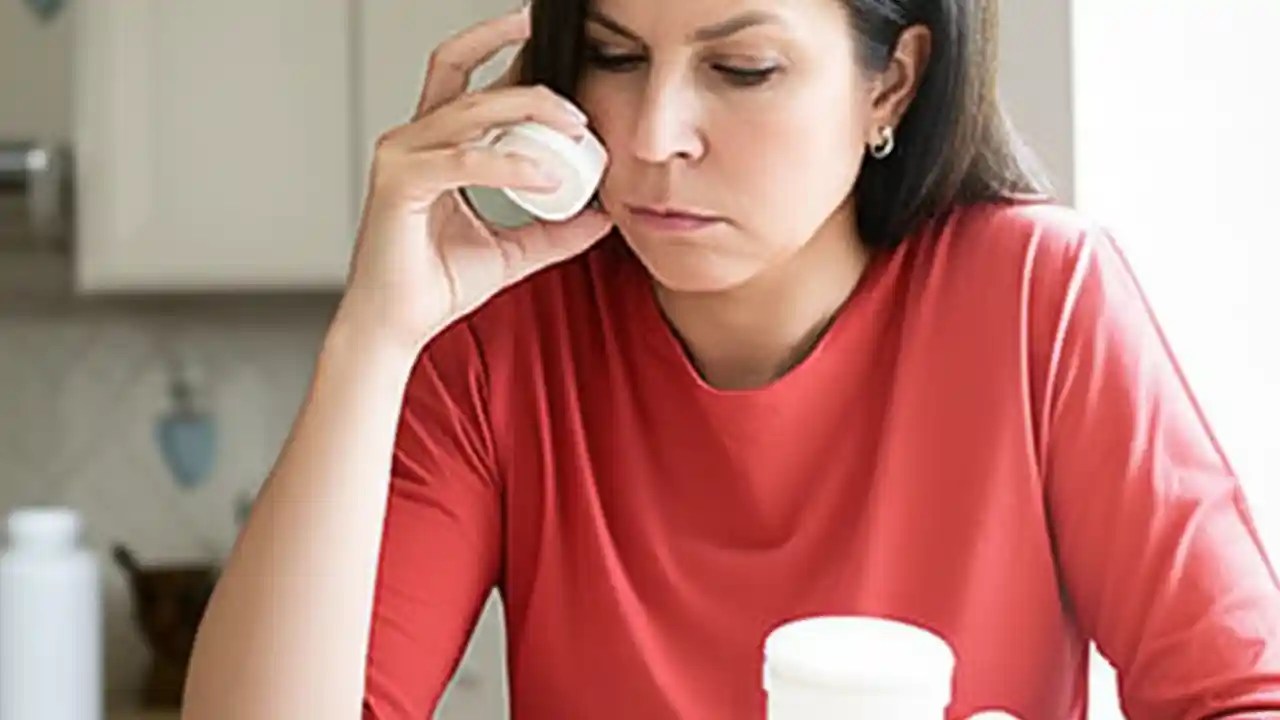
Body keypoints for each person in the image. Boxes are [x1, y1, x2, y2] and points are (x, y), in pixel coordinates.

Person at [181, 0, 1280, 718]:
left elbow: (1237, 695)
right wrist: (375, 337)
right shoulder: (504, 343)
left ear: (889, 83)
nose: (654, 132)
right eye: (615, 58)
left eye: (741, 69)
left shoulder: (1039, 296)